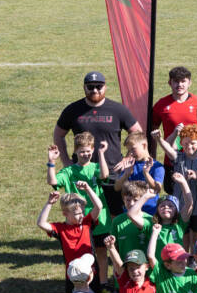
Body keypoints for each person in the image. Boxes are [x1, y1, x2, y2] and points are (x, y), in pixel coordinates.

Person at [54, 71, 141, 215]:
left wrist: (128, 157)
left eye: (98, 86)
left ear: (105, 87)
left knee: (115, 212)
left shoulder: (118, 109)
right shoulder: (73, 110)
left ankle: (113, 238)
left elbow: (137, 133)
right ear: (84, 88)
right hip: (82, 172)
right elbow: (58, 135)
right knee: (81, 211)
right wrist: (66, 161)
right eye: (90, 86)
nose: (95, 90)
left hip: (113, 171)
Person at [47, 134, 111, 289]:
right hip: (78, 221)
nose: (86, 154)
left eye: (88, 151)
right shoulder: (69, 171)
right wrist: (51, 162)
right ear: (75, 152)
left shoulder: (95, 167)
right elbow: (53, 181)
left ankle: (103, 283)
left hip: (98, 218)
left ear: (93, 150)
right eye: (82, 151)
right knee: (81, 253)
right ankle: (81, 281)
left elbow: (104, 175)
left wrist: (101, 154)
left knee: (102, 252)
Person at [36, 182, 104, 293]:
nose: (82, 216)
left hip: (91, 273)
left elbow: (98, 206)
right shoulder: (60, 229)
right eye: (78, 214)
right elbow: (41, 223)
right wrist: (49, 204)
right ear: (65, 214)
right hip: (73, 276)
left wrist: (88, 189)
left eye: (83, 212)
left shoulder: (87, 223)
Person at [152, 124, 197, 249]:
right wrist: (159, 139)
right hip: (181, 206)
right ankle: (185, 256)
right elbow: (168, 149)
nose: (189, 146)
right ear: (181, 143)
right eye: (186, 143)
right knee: (184, 234)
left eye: (193, 143)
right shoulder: (179, 158)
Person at [150, 66, 197, 170]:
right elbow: (152, 133)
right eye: (176, 81)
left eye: (183, 81)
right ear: (170, 82)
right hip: (172, 160)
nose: (180, 85)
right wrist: (152, 157)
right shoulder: (161, 104)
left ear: (189, 83)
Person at [112, 131, 165, 215]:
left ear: (144, 145)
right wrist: (126, 174)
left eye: (133, 149)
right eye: (129, 150)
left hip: (149, 212)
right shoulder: (130, 165)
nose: (131, 153)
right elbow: (117, 187)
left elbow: (157, 189)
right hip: (130, 211)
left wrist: (146, 173)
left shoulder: (157, 166)